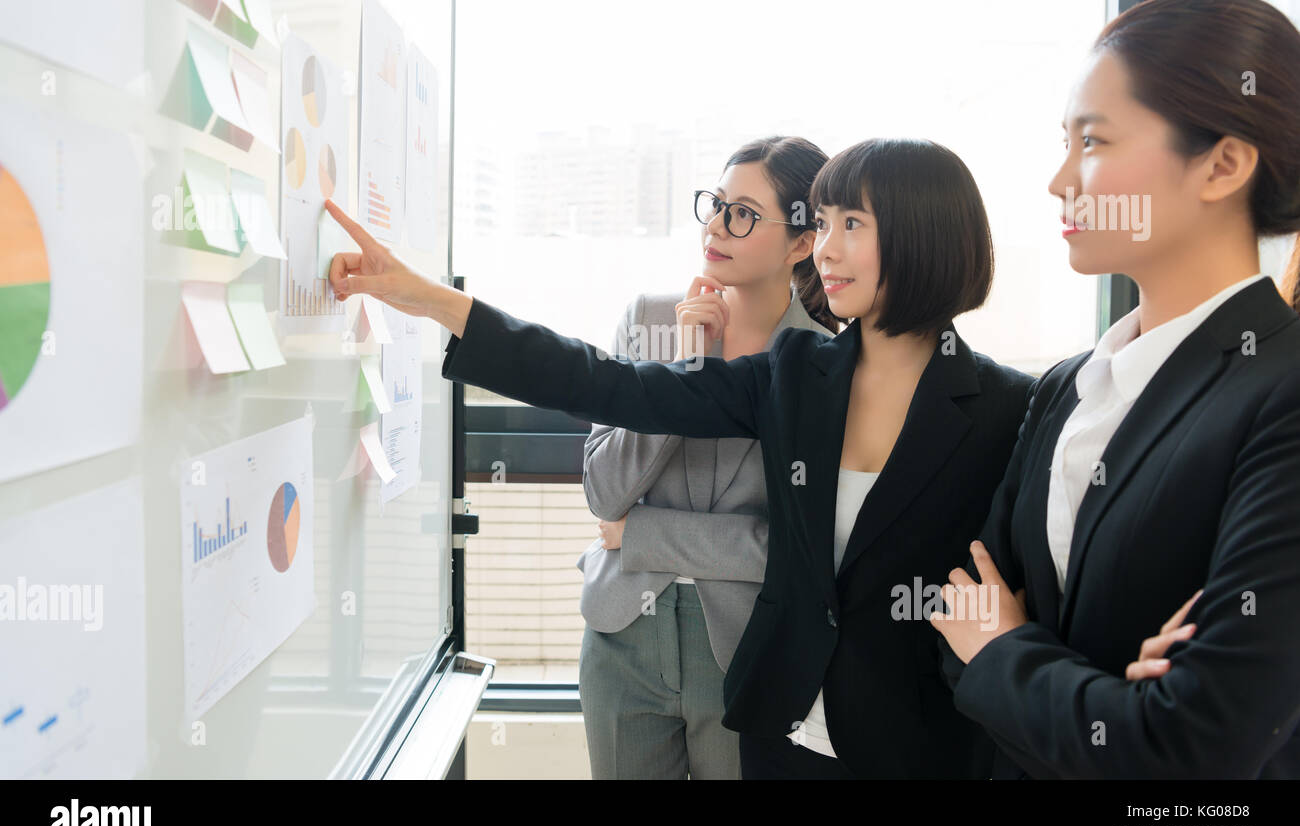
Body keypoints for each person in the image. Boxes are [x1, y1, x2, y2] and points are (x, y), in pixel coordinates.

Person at [323, 136, 1035, 778]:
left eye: (853, 224)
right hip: (780, 738)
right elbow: (604, 380)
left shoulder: (1014, 407)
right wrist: (429, 299)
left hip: (913, 748)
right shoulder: (796, 373)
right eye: (824, 223)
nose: (827, 249)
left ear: (925, 236)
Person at [930, 0, 1300, 778]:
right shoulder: (1066, 387)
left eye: (1092, 142)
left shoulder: (1283, 391)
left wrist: (1005, 647)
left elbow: (1190, 746)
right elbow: (958, 628)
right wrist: (1106, 699)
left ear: (1224, 163)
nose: (1060, 181)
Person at [578, 136, 837, 779]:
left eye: (743, 213)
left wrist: (642, 534)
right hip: (621, 641)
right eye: (715, 204)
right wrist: (683, 369)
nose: (716, 226)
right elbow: (604, 491)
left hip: (745, 651)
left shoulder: (825, 362)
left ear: (803, 241)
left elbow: (791, 548)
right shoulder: (649, 320)